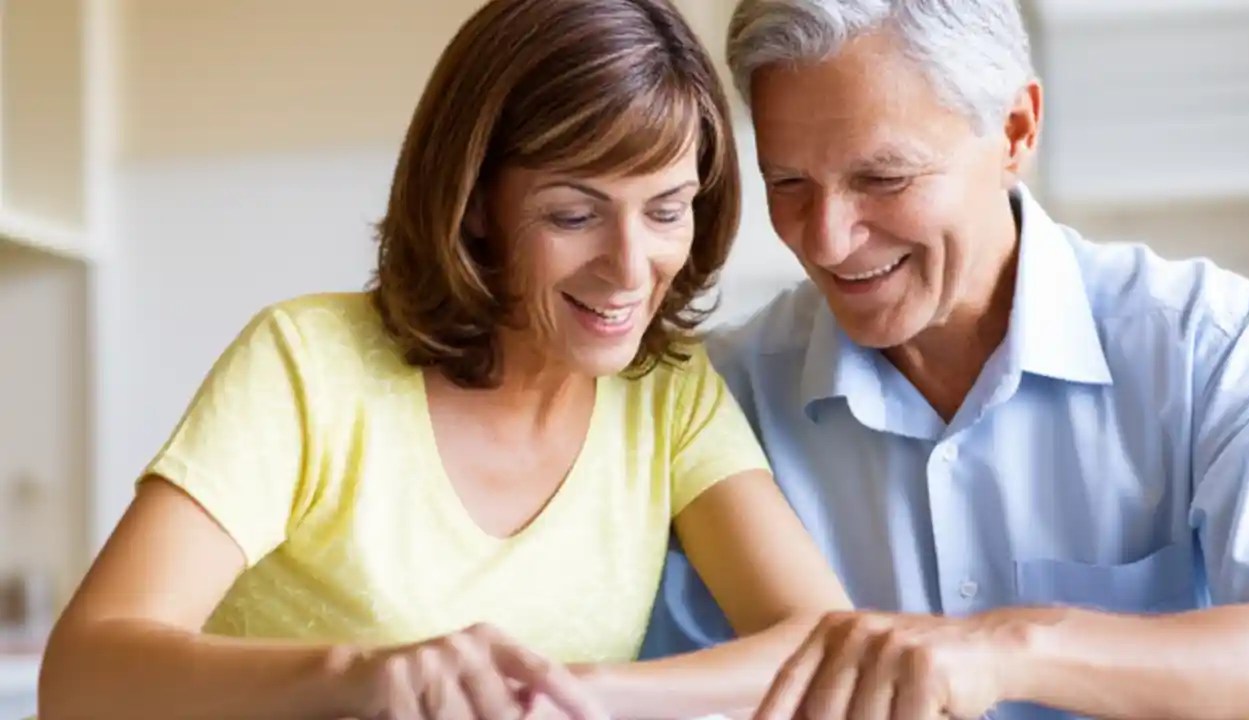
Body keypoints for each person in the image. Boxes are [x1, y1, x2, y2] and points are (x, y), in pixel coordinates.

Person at [37, 1, 853, 718]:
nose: (631, 269)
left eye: (667, 211)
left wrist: (576, 694)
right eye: (574, 216)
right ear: (476, 206)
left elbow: (823, 645)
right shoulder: (307, 365)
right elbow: (80, 677)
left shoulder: (668, 392)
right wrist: (363, 678)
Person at [642, 0, 1249, 718]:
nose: (827, 240)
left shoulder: (1209, 347)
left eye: (883, 178)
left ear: (1015, 131)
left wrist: (1012, 650)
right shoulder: (725, 401)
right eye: (788, 184)